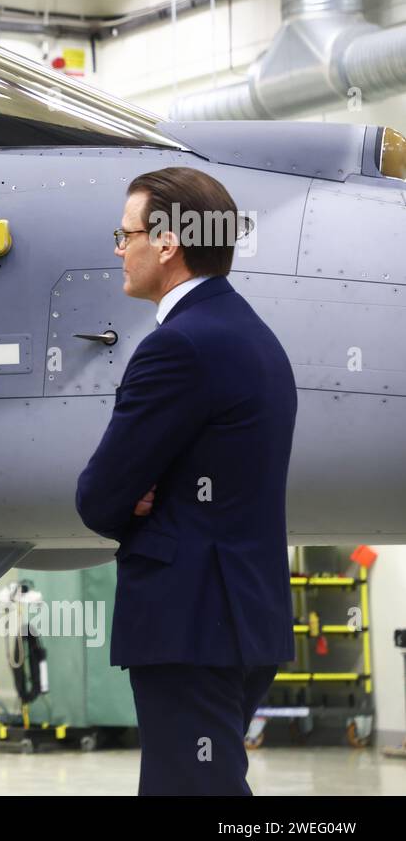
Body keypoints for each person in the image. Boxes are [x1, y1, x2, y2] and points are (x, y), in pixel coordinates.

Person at [76, 166, 297, 795]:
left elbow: (99, 495)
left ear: (168, 242)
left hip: (191, 618)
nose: (120, 252)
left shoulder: (178, 346)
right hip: (243, 616)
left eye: (125, 237)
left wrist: (132, 499)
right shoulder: (254, 336)